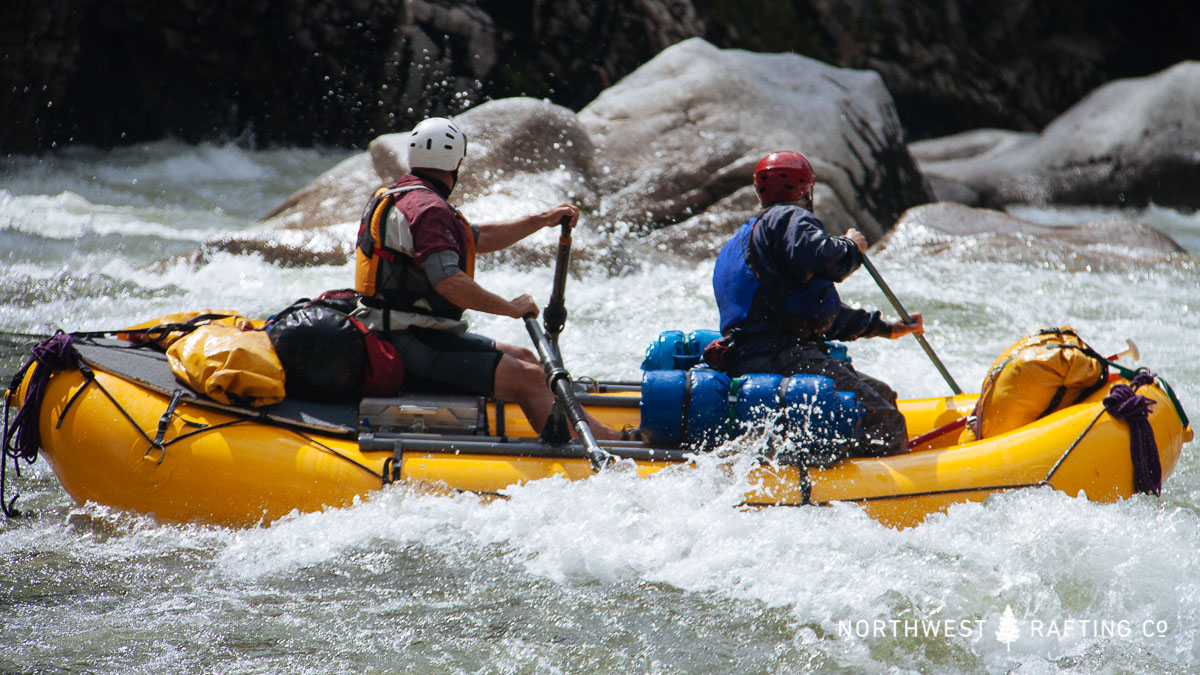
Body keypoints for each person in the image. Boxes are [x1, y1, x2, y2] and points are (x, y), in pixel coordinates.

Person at [354, 117, 624, 440]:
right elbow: (448, 282)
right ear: (455, 161)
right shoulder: (428, 208)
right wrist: (509, 307)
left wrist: (542, 219)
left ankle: (583, 427)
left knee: (526, 357)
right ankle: (608, 443)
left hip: (409, 332)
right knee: (528, 377)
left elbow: (475, 238)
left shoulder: (403, 196)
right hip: (411, 342)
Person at [711, 150, 923, 457]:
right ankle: (889, 491)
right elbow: (825, 256)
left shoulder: (744, 239)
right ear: (807, 190)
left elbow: (810, 313)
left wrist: (886, 328)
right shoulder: (788, 218)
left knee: (883, 394)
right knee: (883, 416)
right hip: (783, 356)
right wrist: (853, 247)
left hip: (751, 358)